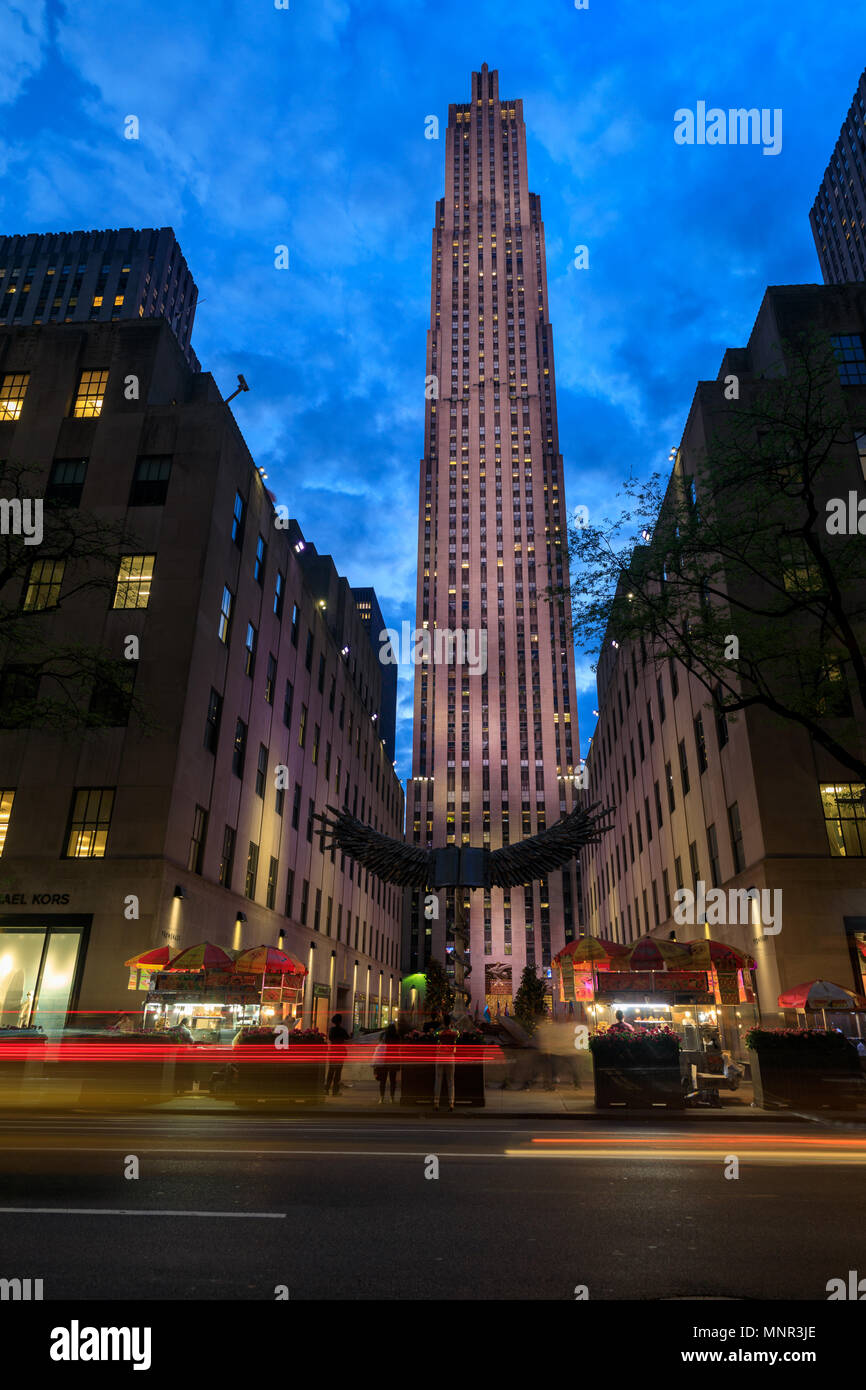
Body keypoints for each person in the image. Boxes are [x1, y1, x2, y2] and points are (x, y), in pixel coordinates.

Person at [433, 1016, 458, 1111]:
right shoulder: (454, 1033)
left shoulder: (439, 1032)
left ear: (443, 1022)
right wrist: (452, 1026)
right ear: (450, 1022)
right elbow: (458, 1034)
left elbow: (434, 1034)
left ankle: (436, 1103)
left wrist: (441, 1026)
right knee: (451, 1081)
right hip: (450, 1056)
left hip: (440, 1056)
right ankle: (451, 1103)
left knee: (438, 1080)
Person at [373, 1022, 400, 1103]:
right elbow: (398, 1047)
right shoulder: (396, 1036)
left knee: (383, 1081)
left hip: (384, 1060)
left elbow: (379, 1046)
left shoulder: (383, 1036)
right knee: (393, 1080)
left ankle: (382, 1098)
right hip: (393, 1060)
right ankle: (392, 1098)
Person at [325, 1013, 350, 1096]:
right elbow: (347, 1038)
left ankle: (326, 1089)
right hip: (340, 1052)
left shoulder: (331, 1030)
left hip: (333, 1051)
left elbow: (330, 1038)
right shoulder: (342, 1030)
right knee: (338, 1072)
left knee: (331, 1071)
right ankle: (335, 1091)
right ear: (340, 1021)